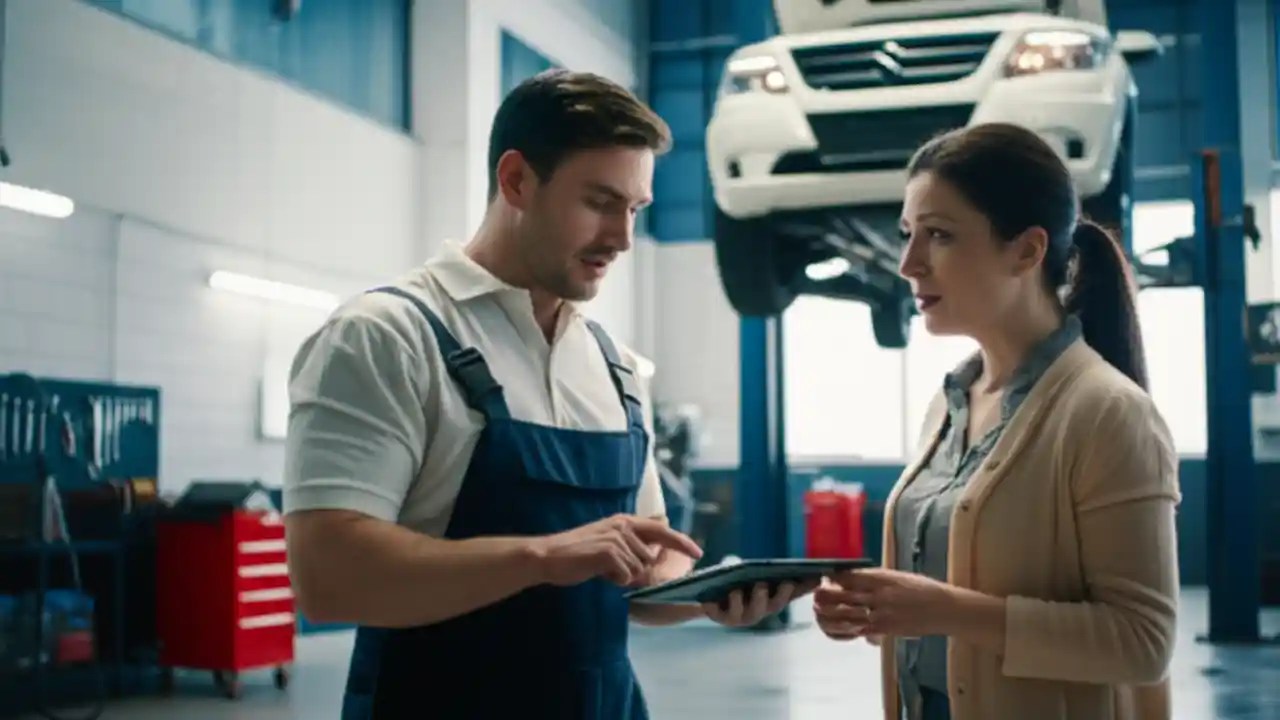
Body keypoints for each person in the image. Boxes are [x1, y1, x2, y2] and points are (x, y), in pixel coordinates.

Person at [282, 69, 809, 720]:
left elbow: (644, 569)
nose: (621, 238)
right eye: (600, 201)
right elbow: (329, 578)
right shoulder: (386, 336)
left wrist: (703, 594)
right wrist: (540, 557)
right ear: (516, 181)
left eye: (635, 210)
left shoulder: (615, 367)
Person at [813, 123, 1181, 720]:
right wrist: (879, 611)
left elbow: (1143, 644)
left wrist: (943, 610)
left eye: (939, 235)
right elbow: (947, 616)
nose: (907, 264)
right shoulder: (949, 405)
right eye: (907, 234)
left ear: (1027, 250)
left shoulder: (1109, 414)